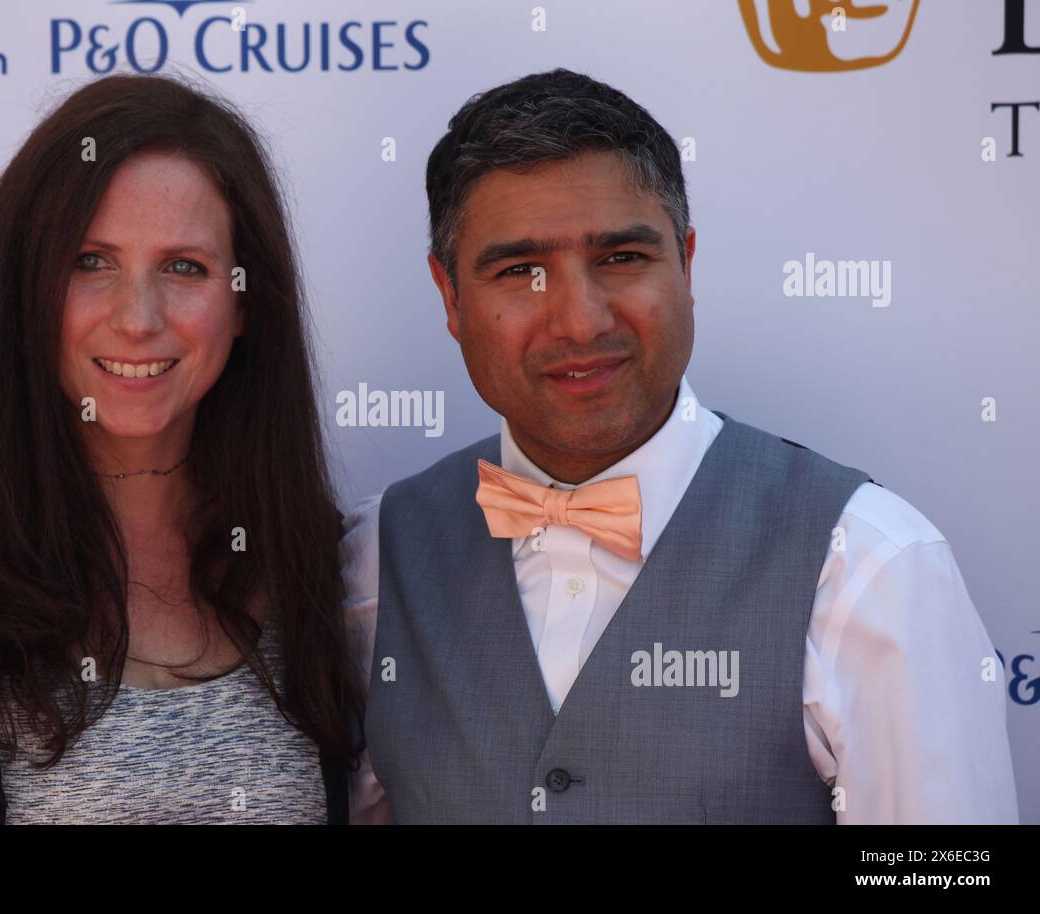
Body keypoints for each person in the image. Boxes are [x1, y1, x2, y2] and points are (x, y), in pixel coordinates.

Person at [341, 68, 1018, 824]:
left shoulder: (867, 563)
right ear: (449, 297)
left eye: (621, 259)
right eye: (520, 272)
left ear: (686, 264)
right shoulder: (374, 563)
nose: (579, 321)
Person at [0, 73, 359, 824]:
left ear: (245, 302)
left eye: (185, 267)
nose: (138, 318)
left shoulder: (318, 562)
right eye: (91, 261)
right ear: (25, 286)